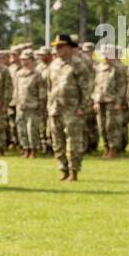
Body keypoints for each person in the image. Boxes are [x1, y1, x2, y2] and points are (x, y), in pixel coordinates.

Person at [46, 34, 87, 182]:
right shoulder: (54, 64)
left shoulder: (78, 65)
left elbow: (86, 89)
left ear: (69, 48)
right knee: (57, 141)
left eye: (61, 46)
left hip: (72, 108)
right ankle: (63, 169)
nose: (57, 49)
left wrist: (82, 107)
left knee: (73, 141)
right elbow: (49, 87)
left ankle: (74, 171)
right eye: (56, 47)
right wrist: (49, 105)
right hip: (55, 108)